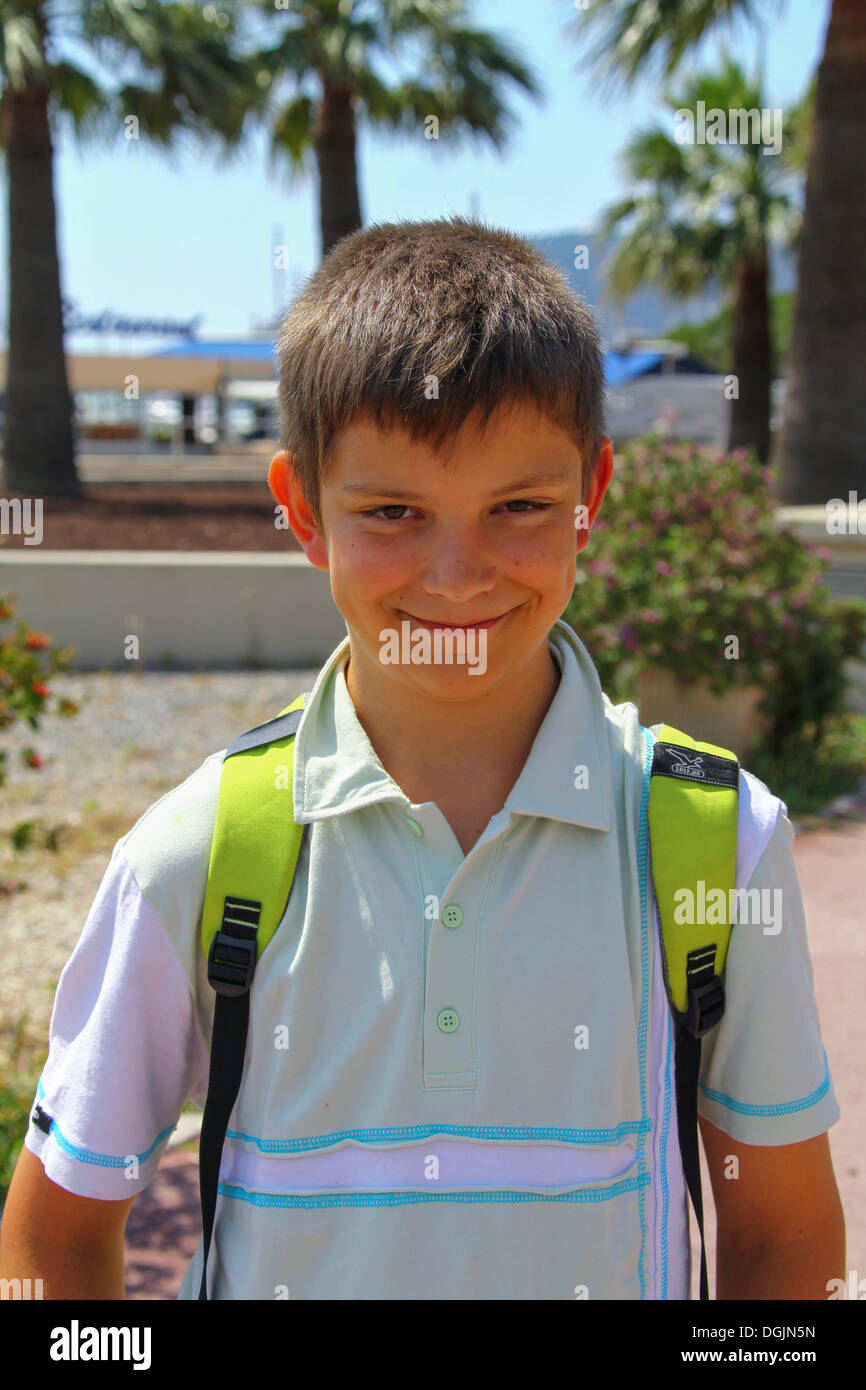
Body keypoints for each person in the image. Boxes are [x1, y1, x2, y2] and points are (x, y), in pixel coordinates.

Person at [0, 217, 844, 1300]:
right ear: (302, 508)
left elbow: (779, 1239)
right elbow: (54, 1239)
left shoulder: (713, 841)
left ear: (590, 495)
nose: (455, 577)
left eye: (519, 508)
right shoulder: (199, 853)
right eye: (392, 510)